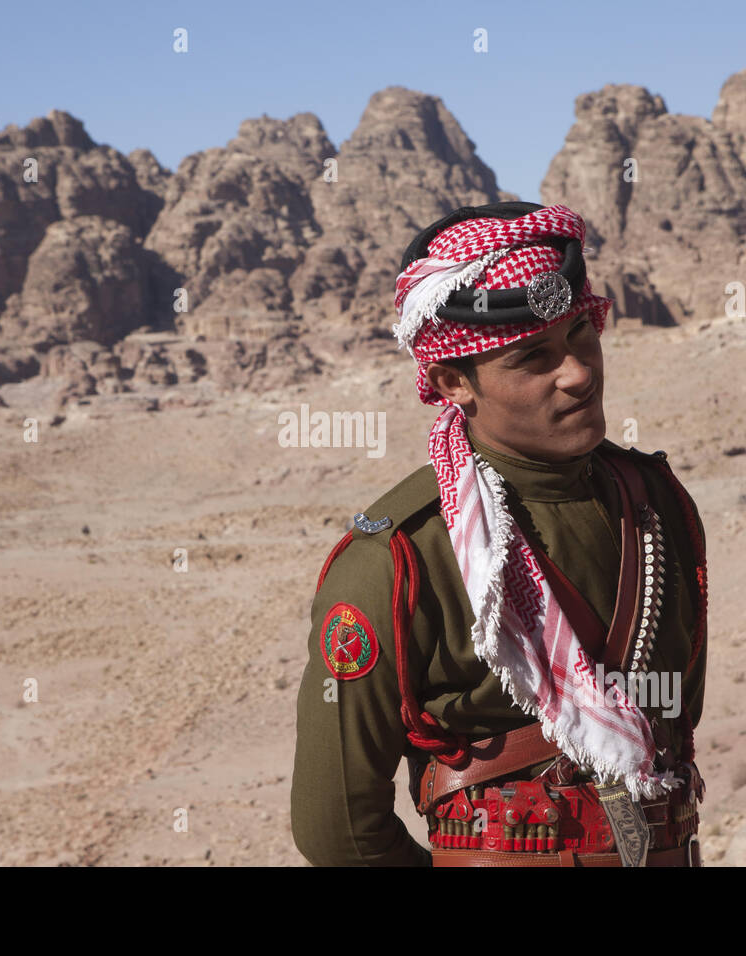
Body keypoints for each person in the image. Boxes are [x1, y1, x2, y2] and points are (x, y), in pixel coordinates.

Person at [290, 201, 707, 867]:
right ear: (454, 381)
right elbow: (337, 826)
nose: (577, 373)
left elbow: (675, 719)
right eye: (534, 357)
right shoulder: (397, 559)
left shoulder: (656, 505)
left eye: (580, 336)